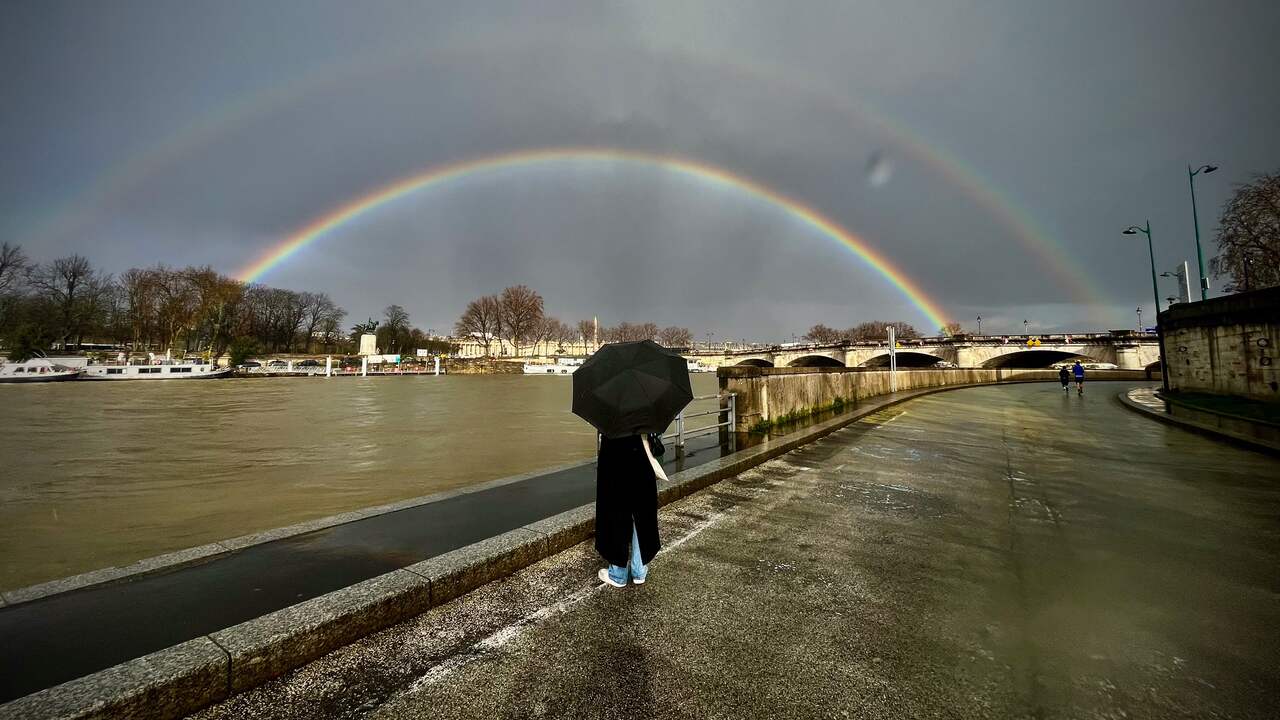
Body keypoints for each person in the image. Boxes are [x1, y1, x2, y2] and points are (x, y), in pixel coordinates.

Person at [595, 432, 666, 587]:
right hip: (642, 456)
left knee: (616, 512)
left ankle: (618, 573)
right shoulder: (647, 410)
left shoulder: (613, 414)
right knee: (641, 514)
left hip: (615, 457)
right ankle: (639, 570)